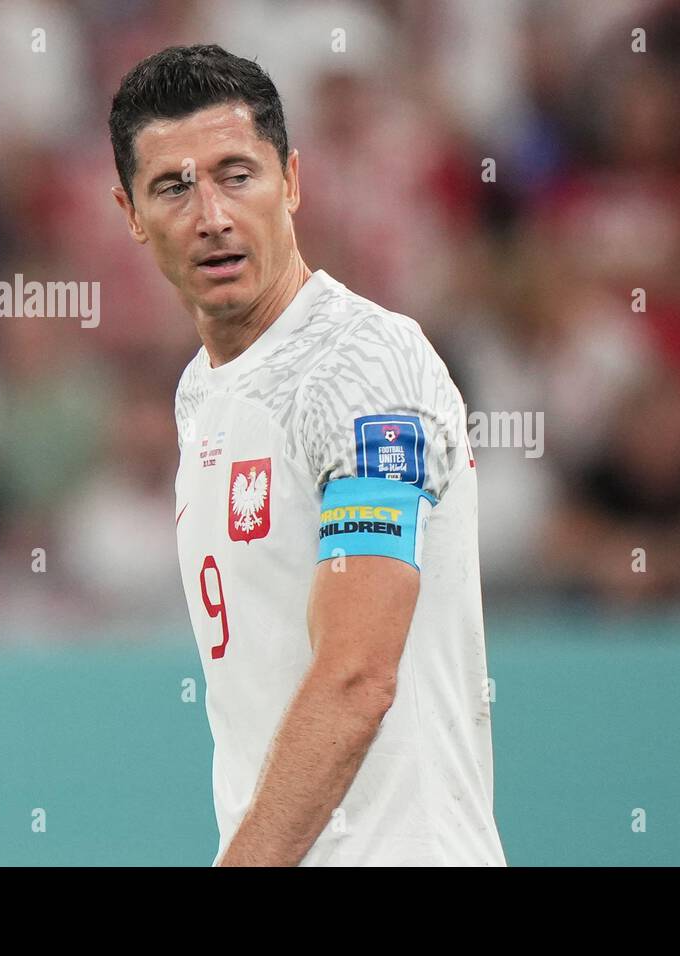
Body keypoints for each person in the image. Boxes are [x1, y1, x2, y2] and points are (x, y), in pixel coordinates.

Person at [108, 44, 506, 866]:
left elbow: (358, 675)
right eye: (174, 187)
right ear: (130, 214)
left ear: (291, 179)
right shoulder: (201, 394)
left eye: (236, 174)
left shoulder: (365, 368)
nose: (211, 214)